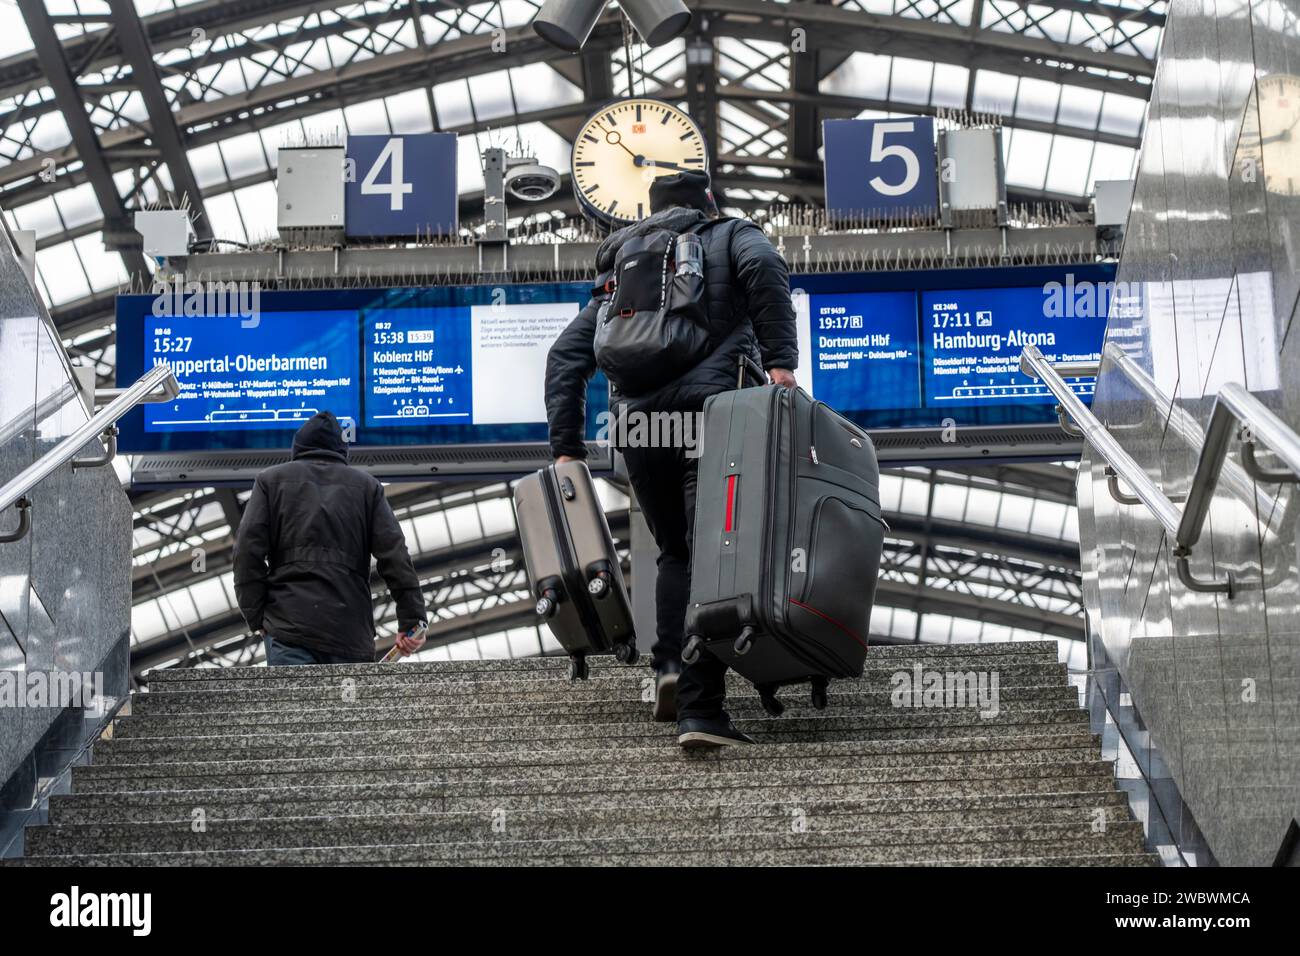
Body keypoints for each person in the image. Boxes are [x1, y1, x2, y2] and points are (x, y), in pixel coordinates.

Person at [544, 170, 798, 748]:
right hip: (716, 417)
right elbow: (766, 270)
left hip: (640, 426)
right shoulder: (730, 235)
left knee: (676, 553)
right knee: (715, 551)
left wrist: (566, 450)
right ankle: (701, 710)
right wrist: (781, 366)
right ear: (706, 203)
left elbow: (565, 357)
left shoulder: (622, 274)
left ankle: (670, 669)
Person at [233, 410, 428, 665]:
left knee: (294, 704)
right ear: (341, 450)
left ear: (298, 446)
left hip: (288, 629)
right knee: (346, 705)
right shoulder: (367, 488)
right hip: (349, 634)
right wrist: (412, 618)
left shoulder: (270, 481)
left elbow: (247, 553)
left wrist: (258, 616)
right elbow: (395, 555)